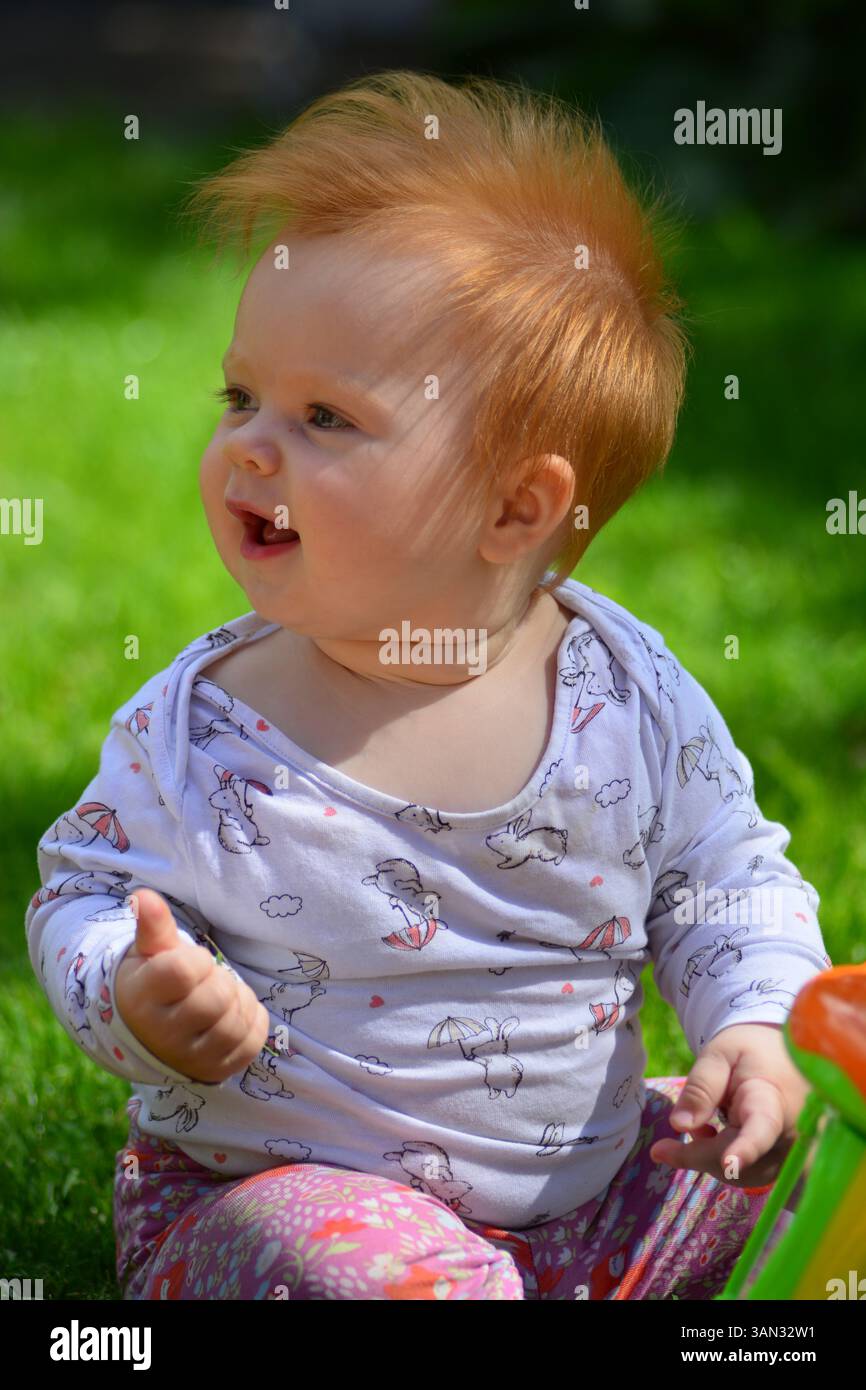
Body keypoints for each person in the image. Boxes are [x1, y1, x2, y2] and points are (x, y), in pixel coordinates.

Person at [25, 70, 829, 1300]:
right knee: (319, 1264)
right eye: (241, 396)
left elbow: (725, 880)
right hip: (292, 1203)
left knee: (818, 1177)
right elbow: (80, 894)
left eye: (325, 418)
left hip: (594, 1200)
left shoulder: (627, 698)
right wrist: (131, 992)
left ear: (515, 506)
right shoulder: (201, 728)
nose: (247, 443)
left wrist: (750, 1032)